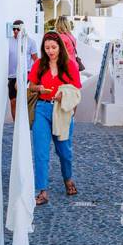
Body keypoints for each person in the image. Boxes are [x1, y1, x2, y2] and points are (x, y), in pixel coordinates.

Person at [27, 30, 81, 203]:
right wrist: (39, 88)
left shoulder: (70, 65)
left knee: (64, 151)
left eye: (53, 47)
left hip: (62, 111)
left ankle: (68, 178)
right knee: (40, 152)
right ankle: (42, 191)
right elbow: (31, 85)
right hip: (42, 109)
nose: (50, 51)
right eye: (47, 47)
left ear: (60, 47)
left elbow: (76, 91)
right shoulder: (39, 64)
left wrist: (66, 100)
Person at [6, 19, 37, 120]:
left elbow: (35, 59)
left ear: (22, 29)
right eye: (13, 29)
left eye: (17, 29)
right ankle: (16, 124)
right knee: (13, 101)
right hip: (11, 75)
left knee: (19, 90)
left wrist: (35, 75)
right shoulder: (8, 41)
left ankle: (24, 120)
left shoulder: (30, 42)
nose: (15, 31)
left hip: (25, 73)